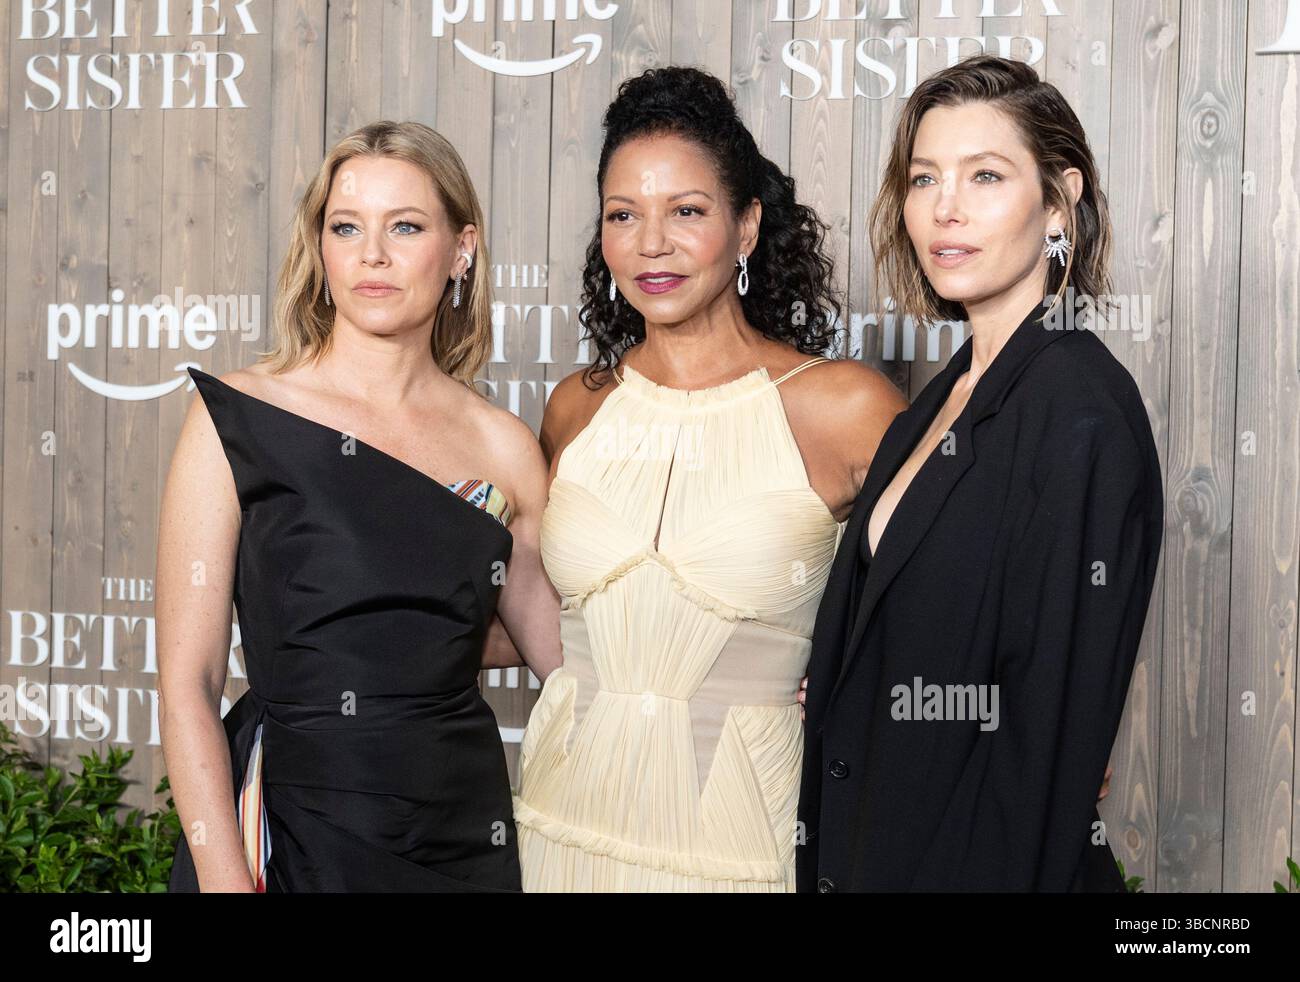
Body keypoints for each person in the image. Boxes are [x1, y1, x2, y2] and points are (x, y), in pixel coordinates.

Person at [510, 66, 906, 892]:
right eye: (624, 215)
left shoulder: (842, 407)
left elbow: (959, 598)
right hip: (561, 824)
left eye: (686, 211)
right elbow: (533, 613)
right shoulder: (576, 410)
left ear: (747, 225)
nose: (652, 243)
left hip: (746, 839)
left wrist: (1036, 732)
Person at [159, 120, 561, 892]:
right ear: (322, 247)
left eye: (405, 226)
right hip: (292, 824)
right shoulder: (239, 416)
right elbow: (189, 679)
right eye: (347, 227)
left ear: (462, 248)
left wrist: (766, 672)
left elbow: (559, 653)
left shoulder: (503, 445)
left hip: (459, 829)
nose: (372, 254)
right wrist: (223, 877)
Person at [797, 55, 1163, 892]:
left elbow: (1045, 744)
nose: (945, 209)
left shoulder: (1081, 409)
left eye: (986, 176)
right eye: (924, 179)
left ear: (1060, 201)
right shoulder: (937, 402)